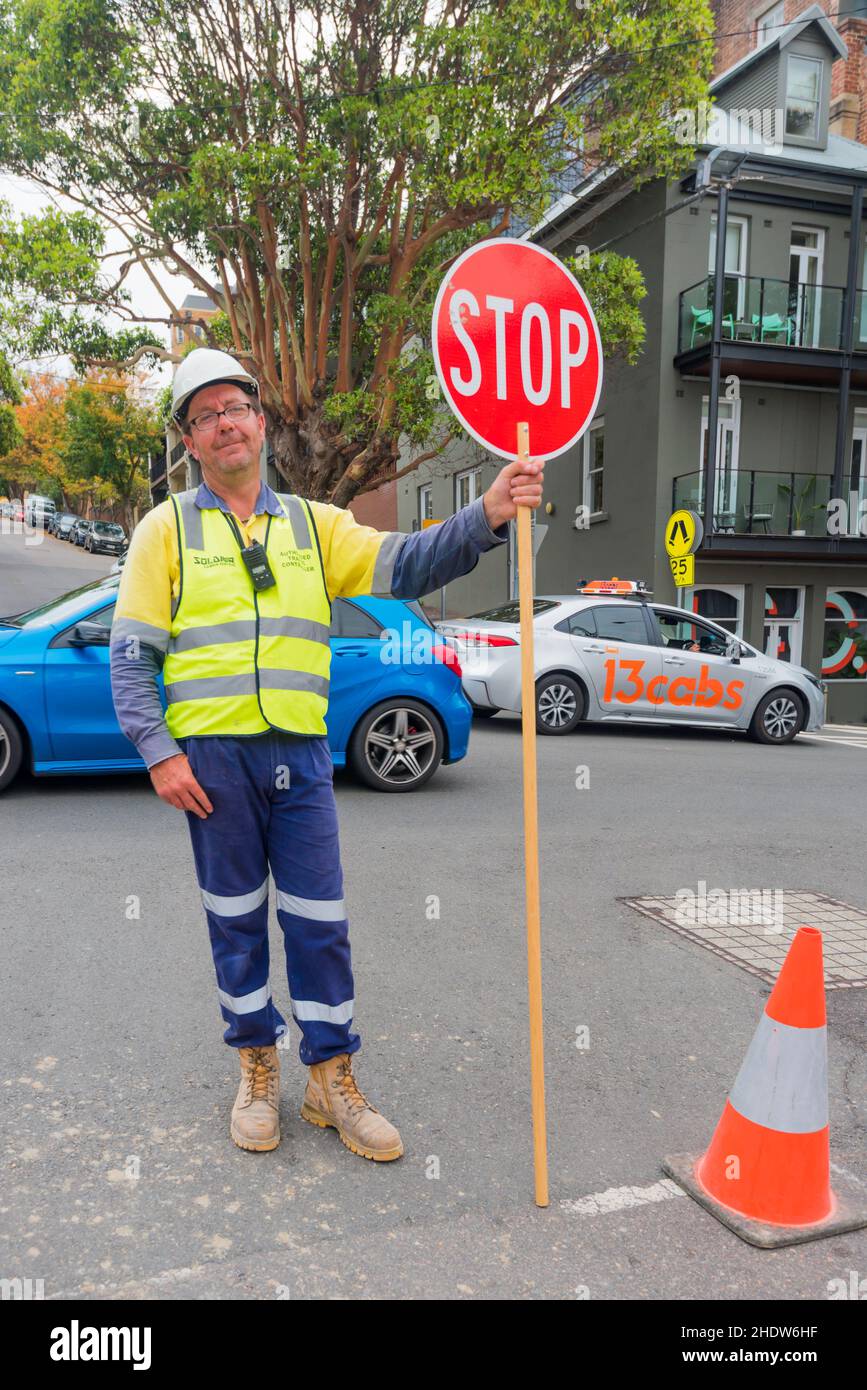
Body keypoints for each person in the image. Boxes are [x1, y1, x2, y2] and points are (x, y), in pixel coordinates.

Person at [110, 348, 544, 1163]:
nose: (224, 423)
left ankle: (330, 1079)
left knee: (319, 924)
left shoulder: (316, 526)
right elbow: (131, 658)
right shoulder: (164, 531)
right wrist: (160, 753)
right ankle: (255, 1068)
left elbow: (407, 561)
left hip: (302, 760)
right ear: (189, 441)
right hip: (212, 764)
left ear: (260, 420)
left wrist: (486, 512)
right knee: (234, 922)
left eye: (235, 406)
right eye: (204, 415)